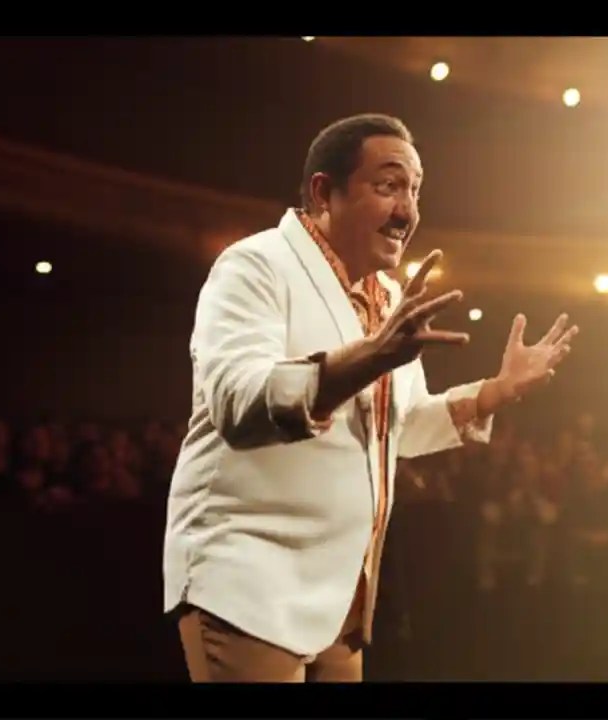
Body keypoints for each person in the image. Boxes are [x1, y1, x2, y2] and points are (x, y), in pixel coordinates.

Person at [162, 113, 578, 682]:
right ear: (322, 193)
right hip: (248, 579)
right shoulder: (254, 266)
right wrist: (371, 356)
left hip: (342, 590)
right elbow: (238, 402)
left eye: (414, 190)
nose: (407, 209)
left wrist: (494, 393)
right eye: (388, 186)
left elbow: (396, 428)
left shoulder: (386, 296)